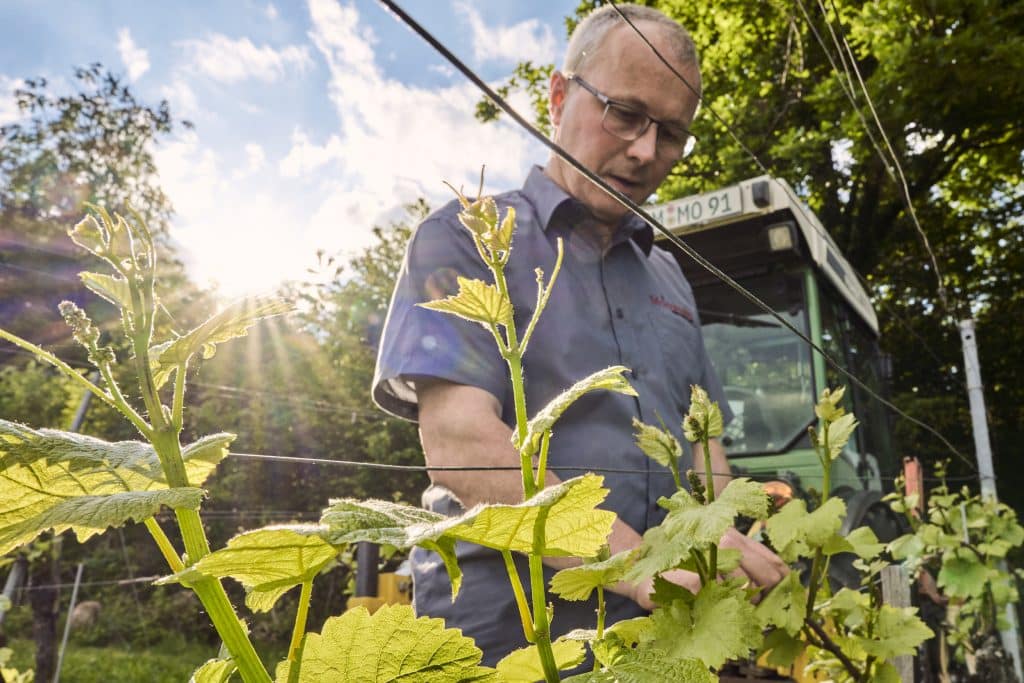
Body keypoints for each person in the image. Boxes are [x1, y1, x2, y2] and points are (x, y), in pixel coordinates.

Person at [373, 3, 787, 667]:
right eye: (625, 113)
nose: (647, 151)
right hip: (510, 640)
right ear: (559, 95)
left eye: (673, 133)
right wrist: (637, 561)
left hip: (665, 641)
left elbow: (704, 439)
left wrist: (725, 541)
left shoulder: (671, 276)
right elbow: (460, 444)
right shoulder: (466, 237)